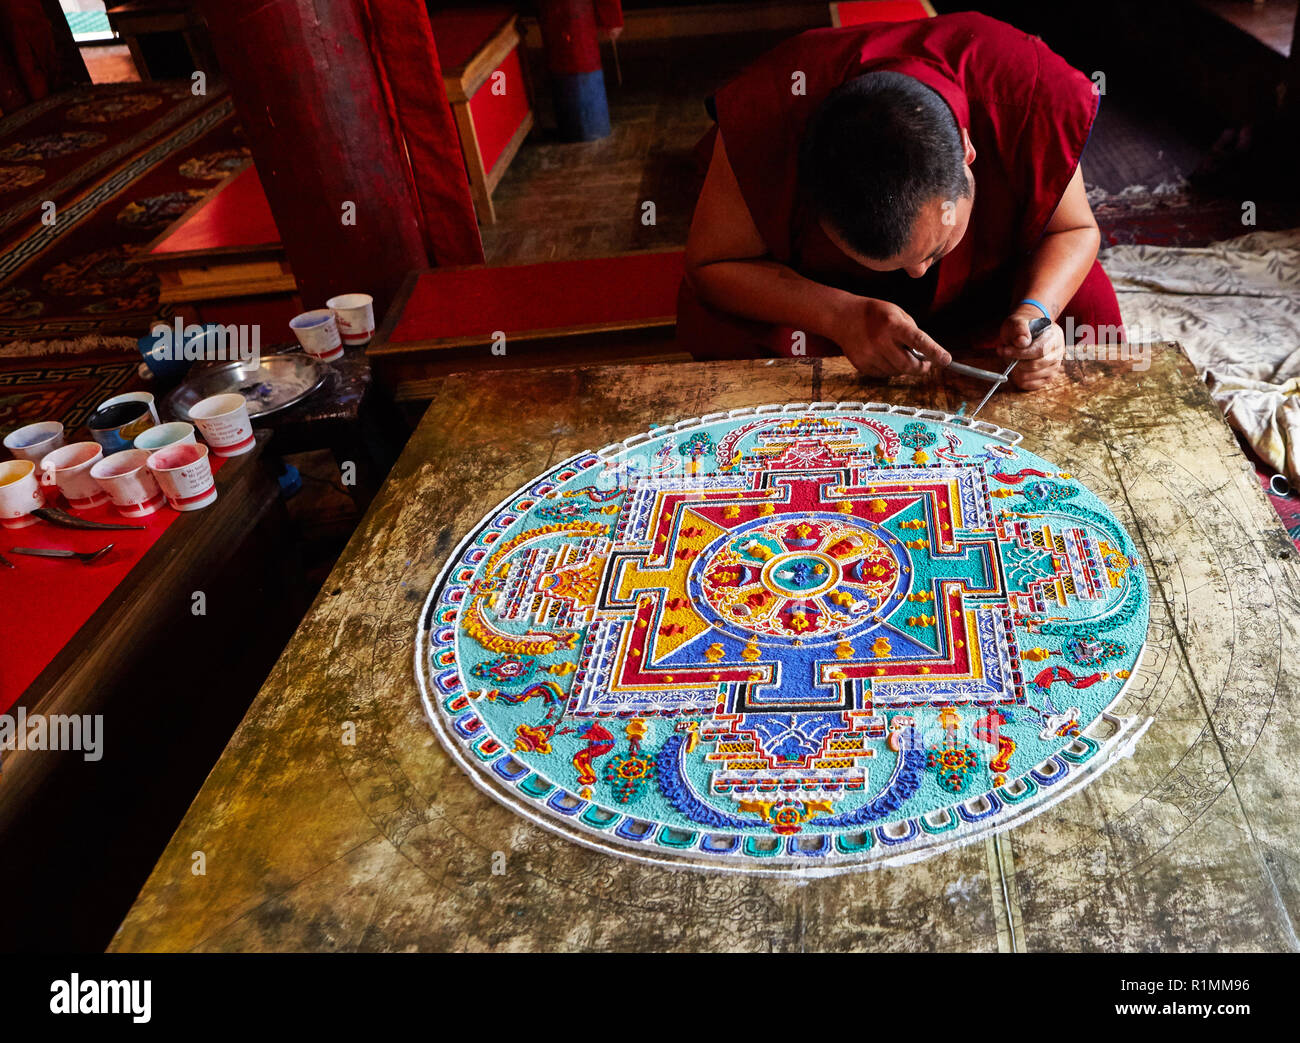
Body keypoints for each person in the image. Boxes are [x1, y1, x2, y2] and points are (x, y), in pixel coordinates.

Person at [679, 12, 1123, 390]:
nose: (915, 273)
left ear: (967, 153)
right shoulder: (775, 110)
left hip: (985, 286)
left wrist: (1036, 313)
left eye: (932, 249)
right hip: (830, 294)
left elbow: (1076, 228)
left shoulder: (1021, 88)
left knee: (1088, 308)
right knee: (718, 326)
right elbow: (712, 265)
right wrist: (840, 315)